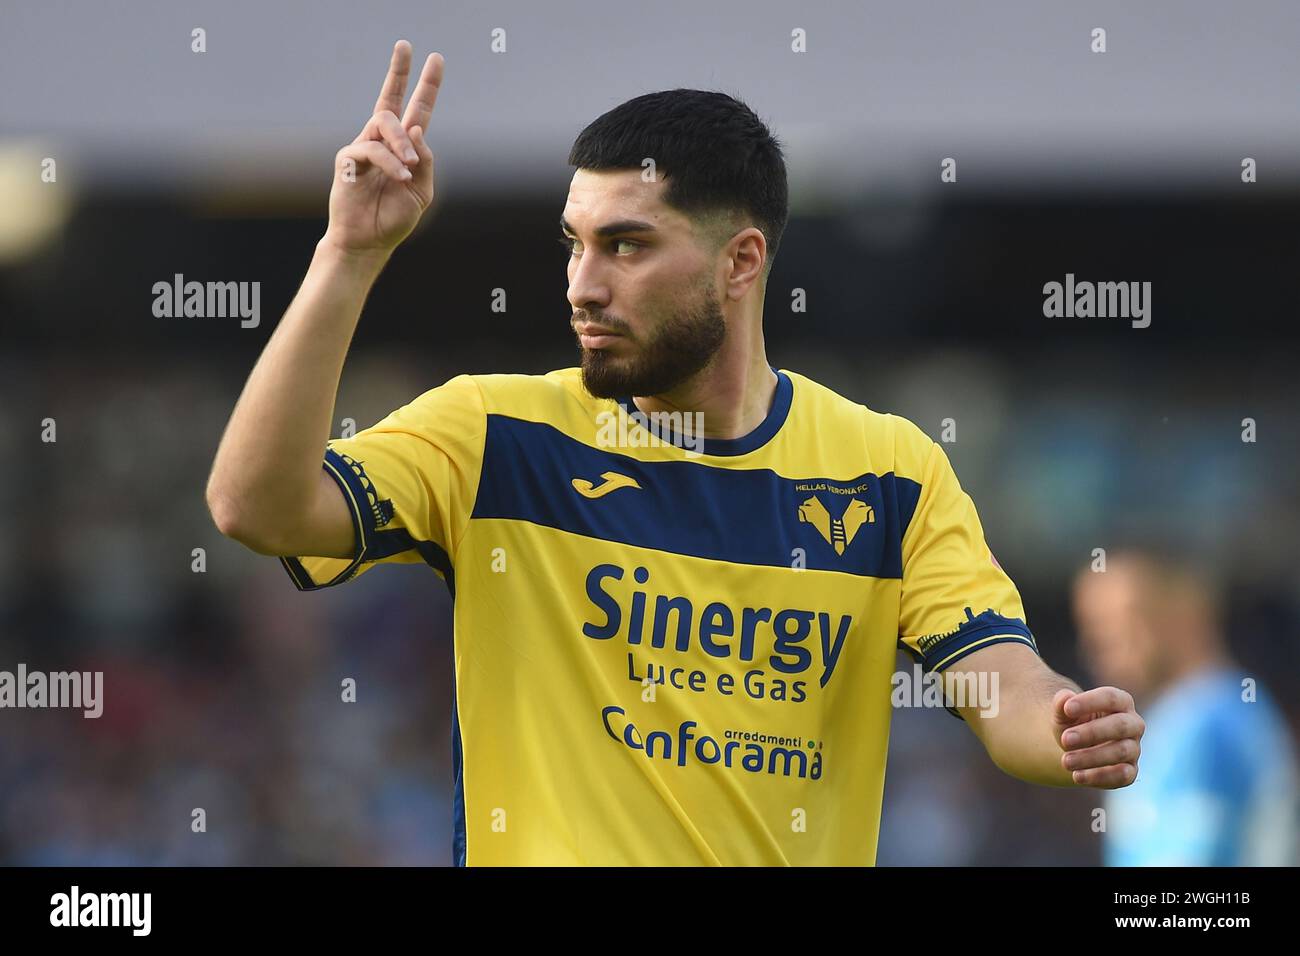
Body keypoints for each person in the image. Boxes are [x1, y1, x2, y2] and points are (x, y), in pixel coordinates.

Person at [206, 40, 1145, 865]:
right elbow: (256, 507)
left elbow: (998, 682)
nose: (582, 285)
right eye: (573, 245)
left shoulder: (888, 472)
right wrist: (347, 253)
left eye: (625, 246)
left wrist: (1063, 728)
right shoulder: (498, 436)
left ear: (740, 262)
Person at [1073, 549, 1298, 865]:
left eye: (1122, 619)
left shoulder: (1212, 722)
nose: (1100, 641)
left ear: (1185, 612)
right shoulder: (1172, 718)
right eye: (1091, 626)